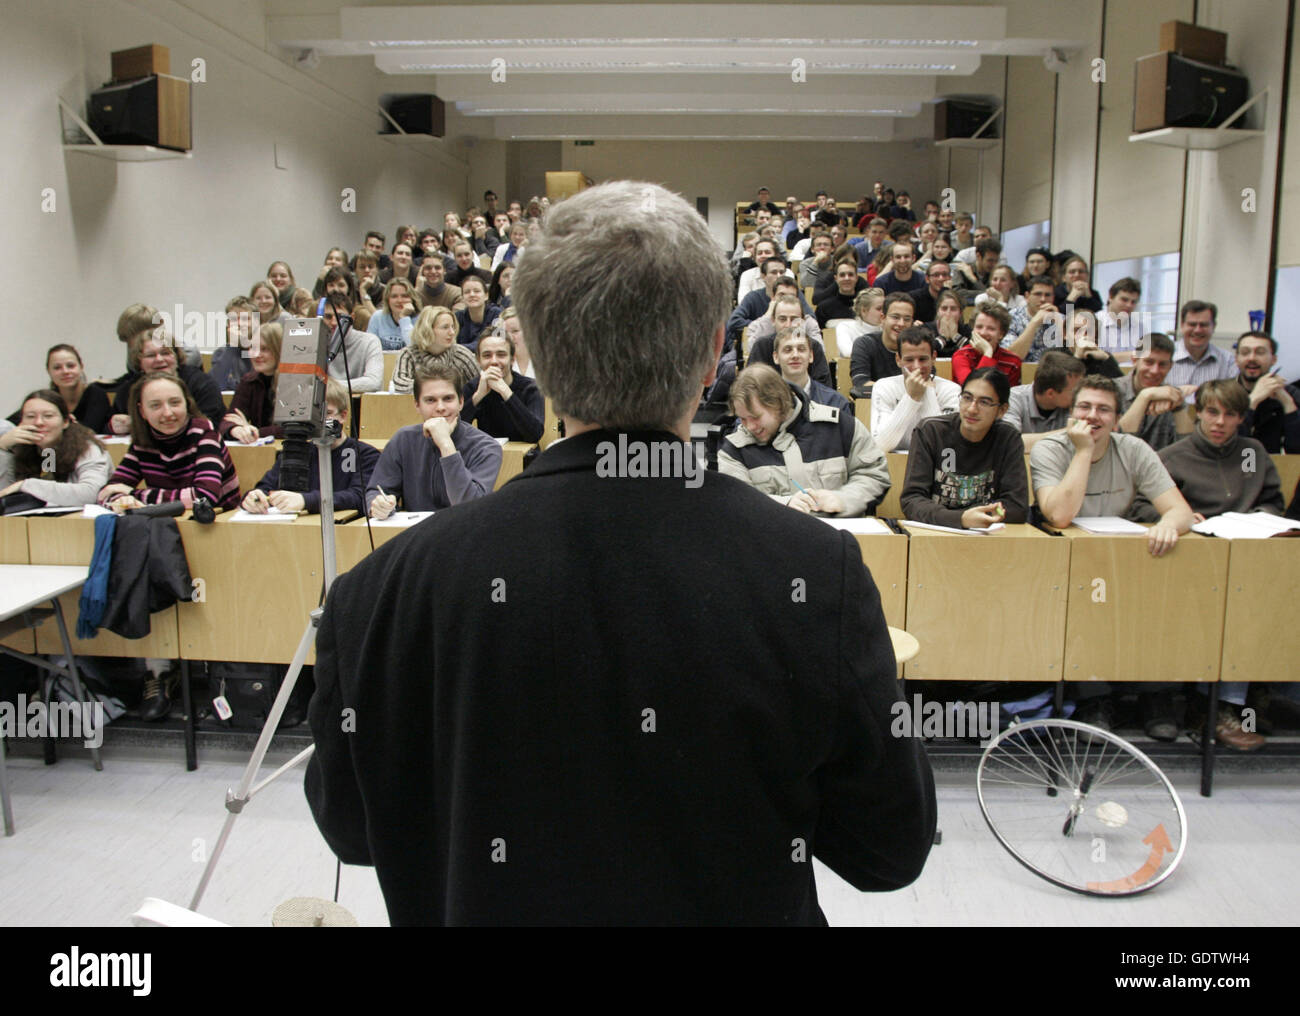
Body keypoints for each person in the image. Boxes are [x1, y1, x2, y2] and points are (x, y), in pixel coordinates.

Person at [306, 182, 935, 925]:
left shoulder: (382, 589)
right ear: (713, 358)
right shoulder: (811, 573)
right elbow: (888, 849)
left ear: (535, 353)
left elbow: (352, 829)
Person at [1133, 379, 1282, 752]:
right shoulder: (1174, 455)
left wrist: (1257, 519)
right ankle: (1174, 699)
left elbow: (1272, 502)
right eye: (1212, 412)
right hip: (1188, 561)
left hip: (1245, 560)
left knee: (1251, 614)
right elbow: (1140, 507)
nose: (1220, 422)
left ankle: (1223, 708)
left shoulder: (1253, 453)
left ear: (1240, 419)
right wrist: (1182, 518)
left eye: (1230, 415)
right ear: (1198, 412)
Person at [1030, 375, 1194, 556]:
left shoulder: (1135, 449)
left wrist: (1167, 526)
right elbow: (1059, 517)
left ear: (1117, 421)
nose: (1092, 415)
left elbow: (1181, 512)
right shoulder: (1048, 449)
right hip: (1057, 550)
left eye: (1103, 409)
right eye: (1084, 407)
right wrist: (1084, 451)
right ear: (1071, 413)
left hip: (1115, 550)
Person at [721, 364, 891, 517]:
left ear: (779, 403)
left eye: (755, 417)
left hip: (836, 539)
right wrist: (784, 504)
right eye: (743, 419)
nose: (749, 426)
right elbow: (737, 501)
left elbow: (875, 475)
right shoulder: (734, 450)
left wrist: (843, 499)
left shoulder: (840, 427)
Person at [365, 366, 503, 517]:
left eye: (448, 399)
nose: (440, 407)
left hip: (463, 534)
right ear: (417, 405)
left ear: (461, 402)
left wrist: (445, 444)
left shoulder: (487, 447)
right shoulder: (403, 439)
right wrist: (378, 504)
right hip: (417, 532)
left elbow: (469, 506)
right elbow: (375, 491)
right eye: (430, 400)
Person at [899, 368, 1029, 528]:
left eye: (984, 402)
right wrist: (960, 519)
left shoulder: (1008, 438)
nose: (972, 409)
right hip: (935, 533)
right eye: (967, 398)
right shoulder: (931, 431)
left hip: (988, 536)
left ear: (1002, 410)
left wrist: (984, 517)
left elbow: (1017, 506)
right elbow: (912, 500)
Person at [98, 373, 240, 512]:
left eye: (175, 403)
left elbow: (204, 497)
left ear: (187, 403)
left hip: (218, 526)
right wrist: (122, 500)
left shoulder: (205, 433)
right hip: (168, 525)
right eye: (155, 406)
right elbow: (109, 490)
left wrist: (133, 494)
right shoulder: (143, 441)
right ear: (142, 411)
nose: (167, 413)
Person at [243, 380, 380, 515]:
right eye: (313, 415)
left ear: (343, 416)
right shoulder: (295, 452)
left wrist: (305, 500)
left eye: (327, 413)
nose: (319, 422)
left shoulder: (364, 455)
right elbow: (264, 488)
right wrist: (253, 498)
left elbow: (359, 498)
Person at [0, 389, 112, 506]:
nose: (38, 422)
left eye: (48, 416)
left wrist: (26, 485)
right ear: (21, 423)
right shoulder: (41, 451)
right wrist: (3, 449)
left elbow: (91, 494)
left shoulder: (88, 448)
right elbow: (4, 496)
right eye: (30, 416)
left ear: (65, 421)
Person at [109, 330, 225, 434]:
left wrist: (141, 425)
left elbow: (212, 424)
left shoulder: (202, 383)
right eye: (150, 355)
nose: (159, 359)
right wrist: (113, 426)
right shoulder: (130, 389)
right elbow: (107, 426)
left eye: (165, 353)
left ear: (176, 356)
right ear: (139, 362)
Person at [869, 327, 962, 452]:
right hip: (893, 465)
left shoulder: (951, 390)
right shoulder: (884, 387)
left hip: (935, 467)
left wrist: (927, 392)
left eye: (923, 359)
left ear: (933, 357)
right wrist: (911, 398)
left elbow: (944, 446)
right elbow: (881, 445)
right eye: (909, 360)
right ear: (898, 359)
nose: (917, 367)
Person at [460, 329, 544, 443]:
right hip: (486, 456)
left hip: (526, 457)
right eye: (487, 355)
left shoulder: (531, 388)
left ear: (512, 359)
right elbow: (456, 431)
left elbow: (535, 435)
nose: (494, 361)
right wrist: (478, 397)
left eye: (501, 355)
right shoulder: (472, 387)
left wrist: (506, 392)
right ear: (478, 360)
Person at [1116, 333, 1190, 451]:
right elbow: (1116, 441)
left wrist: (1178, 405)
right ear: (1135, 360)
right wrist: (1145, 396)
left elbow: (1187, 446)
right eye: (1149, 362)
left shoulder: (1171, 396)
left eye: (1162, 365)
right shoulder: (1112, 390)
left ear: (1170, 366)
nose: (1155, 371)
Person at [1002, 350, 1086, 450]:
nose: (1081, 394)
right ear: (1050, 393)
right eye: (1075, 390)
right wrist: (1068, 432)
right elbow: (1010, 443)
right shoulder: (1013, 398)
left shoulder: (1076, 404)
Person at [1233, 331, 1299, 452]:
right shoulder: (1222, 392)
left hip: (1273, 467)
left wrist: (1288, 404)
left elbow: (1296, 451)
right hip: (1232, 467)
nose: (1252, 358)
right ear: (1236, 359)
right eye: (1245, 352)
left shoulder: (1291, 394)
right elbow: (1228, 445)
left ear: (1273, 359)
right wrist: (1252, 400)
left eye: (1260, 352)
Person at [391, 306, 480, 395]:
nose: (452, 332)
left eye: (453, 327)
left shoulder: (461, 354)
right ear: (427, 330)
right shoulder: (409, 354)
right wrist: (437, 386)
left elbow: (478, 384)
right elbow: (398, 383)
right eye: (445, 327)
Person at [220, 323, 285, 443]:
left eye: (264, 349)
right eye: (253, 348)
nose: (257, 355)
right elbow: (228, 420)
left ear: (279, 350)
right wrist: (236, 429)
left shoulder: (295, 381)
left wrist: (255, 431)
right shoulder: (249, 381)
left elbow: (292, 428)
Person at [29, 344, 112, 434]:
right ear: (48, 371)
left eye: (70, 366)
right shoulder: (47, 399)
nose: (65, 371)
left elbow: (90, 431)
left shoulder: (96, 394)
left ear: (81, 367)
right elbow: (16, 422)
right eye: (57, 368)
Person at [769, 325, 850, 413]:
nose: (795, 355)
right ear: (776, 357)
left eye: (801, 349)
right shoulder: (765, 402)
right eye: (788, 350)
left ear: (811, 356)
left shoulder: (836, 402)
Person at [321, 293, 384, 394]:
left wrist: (329, 386)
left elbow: (374, 382)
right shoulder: (317, 343)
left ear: (352, 317)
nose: (333, 322)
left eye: (340, 316)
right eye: (328, 317)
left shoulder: (370, 341)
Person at [1169, 300, 1236, 390]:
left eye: (1204, 325)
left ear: (1214, 326)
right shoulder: (1166, 356)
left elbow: (1232, 397)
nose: (1197, 330)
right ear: (1182, 325)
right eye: (1192, 324)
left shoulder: (1228, 361)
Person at [850, 292, 914, 385]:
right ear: (883, 318)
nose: (901, 324)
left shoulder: (917, 346)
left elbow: (928, 382)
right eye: (895, 317)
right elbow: (861, 383)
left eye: (907, 319)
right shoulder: (865, 344)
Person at [951, 305, 1022, 386]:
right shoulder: (961, 355)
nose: (983, 333)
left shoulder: (1013, 362)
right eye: (979, 327)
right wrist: (988, 353)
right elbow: (972, 387)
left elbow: (1009, 395)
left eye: (991, 328)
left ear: (1001, 334)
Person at [369, 278, 420, 351]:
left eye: (404, 296)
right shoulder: (377, 317)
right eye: (394, 296)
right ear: (388, 300)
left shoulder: (420, 319)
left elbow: (415, 350)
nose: (399, 300)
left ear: (412, 299)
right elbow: (370, 348)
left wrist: (404, 318)